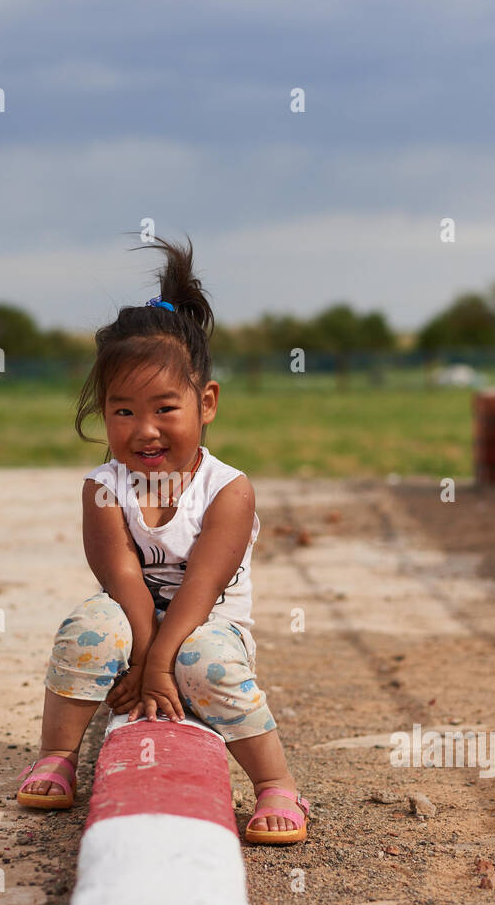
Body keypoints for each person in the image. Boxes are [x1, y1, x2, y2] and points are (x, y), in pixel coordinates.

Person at [17, 236, 309, 844]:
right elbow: (121, 577)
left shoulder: (228, 490)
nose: (143, 430)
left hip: (204, 627)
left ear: (206, 403)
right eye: (122, 412)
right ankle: (57, 755)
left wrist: (162, 663)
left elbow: (202, 589)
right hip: (134, 623)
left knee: (205, 658)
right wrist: (146, 659)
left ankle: (276, 785)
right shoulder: (104, 488)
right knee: (87, 628)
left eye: (164, 409)